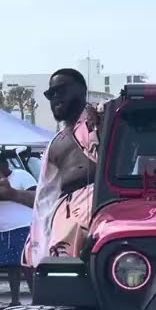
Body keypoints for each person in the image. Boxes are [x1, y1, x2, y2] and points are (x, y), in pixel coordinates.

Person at [24, 68, 105, 265]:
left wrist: (100, 117)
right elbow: (46, 199)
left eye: (61, 90)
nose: (55, 98)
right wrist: (10, 193)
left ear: (81, 91)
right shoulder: (56, 143)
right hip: (59, 229)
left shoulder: (100, 121)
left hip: (96, 229)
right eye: (50, 94)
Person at [0, 159, 37, 306]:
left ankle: (35, 298)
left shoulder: (21, 175)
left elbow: (35, 197)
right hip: (2, 229)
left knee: (26, 265)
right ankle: (15, 300)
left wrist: (9, 193)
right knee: (11, 267)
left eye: (1, 166)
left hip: (21, 226)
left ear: (7, 165)